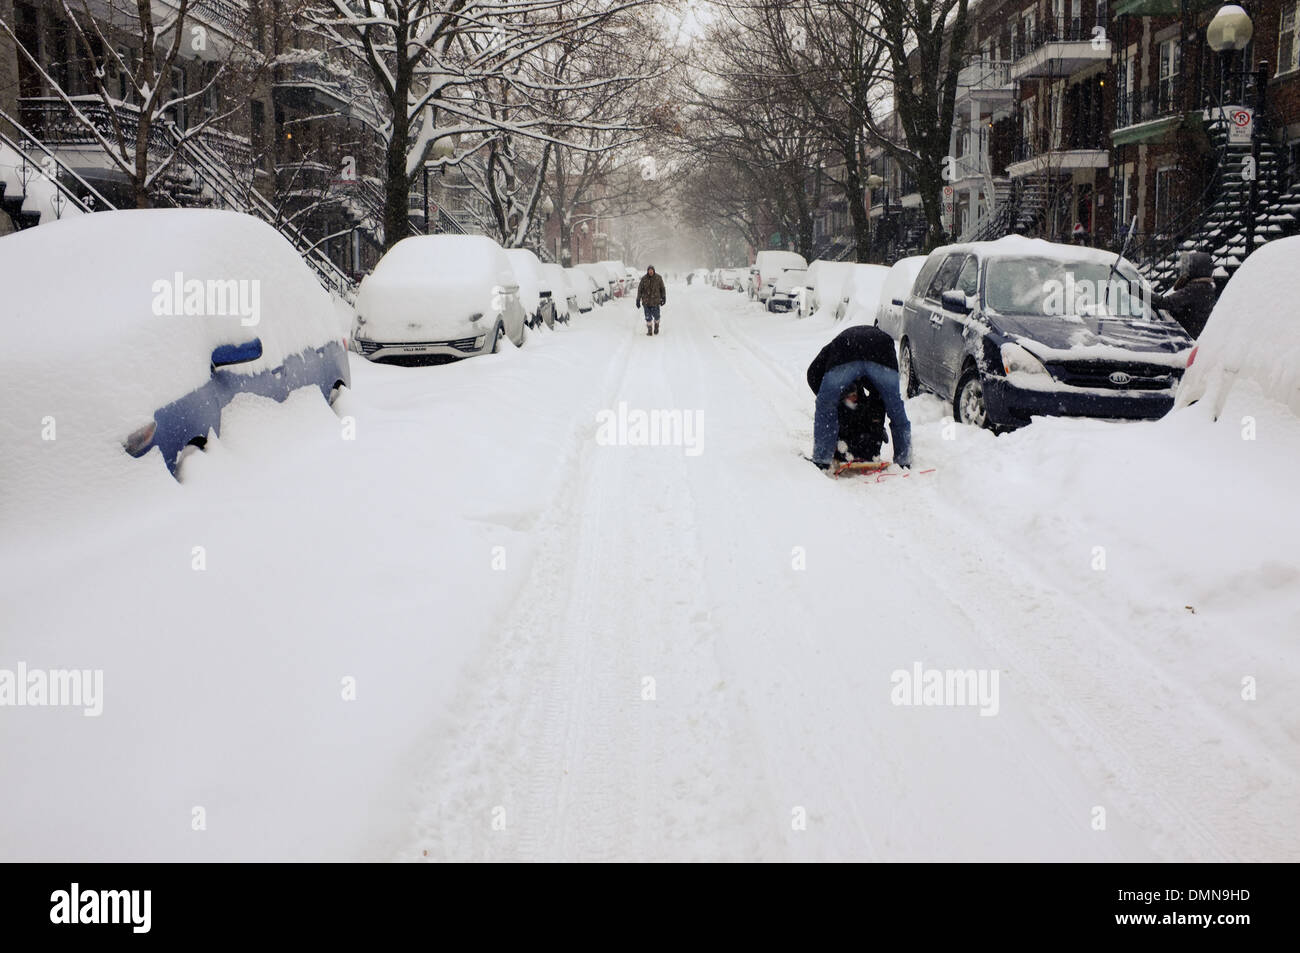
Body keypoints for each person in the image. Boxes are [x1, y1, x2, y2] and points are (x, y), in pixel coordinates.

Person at [806, 325, 912, 471]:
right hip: (882, 352)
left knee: (825, 404)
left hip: (847, 352)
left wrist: (834, 398)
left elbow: (813, 375)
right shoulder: (875, 339)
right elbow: (877, 390)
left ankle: (821, 460)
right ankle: (904, 459)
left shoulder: (829, 353)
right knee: (895, 407)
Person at [1150, 251, 1216, 339]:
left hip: (1188, 338)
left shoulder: (1196, 289)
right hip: (1194, 335)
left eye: (1188, 267)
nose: (1184, 271)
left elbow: (1166, 302)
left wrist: (1139, 292)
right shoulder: (1206, 287)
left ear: (1195, 268)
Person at [635, 264, 667, 335]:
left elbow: (662, 288)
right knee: (648, 317)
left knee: (657, 316)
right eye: (649, 270)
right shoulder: (644, 279)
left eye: (651, 270)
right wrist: (638, 299)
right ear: (647, 271)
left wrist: (663, 297)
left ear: (654, 270)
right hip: (646, 302)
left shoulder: (658, 278)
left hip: (655, 301)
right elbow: (640, 289)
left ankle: (656, 326)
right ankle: (649, 330)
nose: (650, 272)